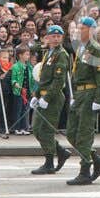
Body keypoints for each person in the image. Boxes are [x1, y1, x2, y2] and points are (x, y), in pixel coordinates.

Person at [63, 17, 100, 185]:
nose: (79, 31)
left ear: (91, 31)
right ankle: (96, 159)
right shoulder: (82, 49)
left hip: (90, 94)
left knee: (84, 134)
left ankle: (85, 170)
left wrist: (98, 99)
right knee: (71, 132)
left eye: (82, 28)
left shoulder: (95, 49)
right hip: (81, 94)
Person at [30, 26, 74, 174]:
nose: (56, 38)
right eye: (53, 36)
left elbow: (58, 80)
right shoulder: (49, 53)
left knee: (46, 130)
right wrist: (36, 95)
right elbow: (43, 78)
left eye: (58, 36)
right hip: (43, 95)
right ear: (47, 38)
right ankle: (61, 151)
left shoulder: (61, 54)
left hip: (53, 98)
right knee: (36, 129)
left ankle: (49, 162)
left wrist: (47, 98)